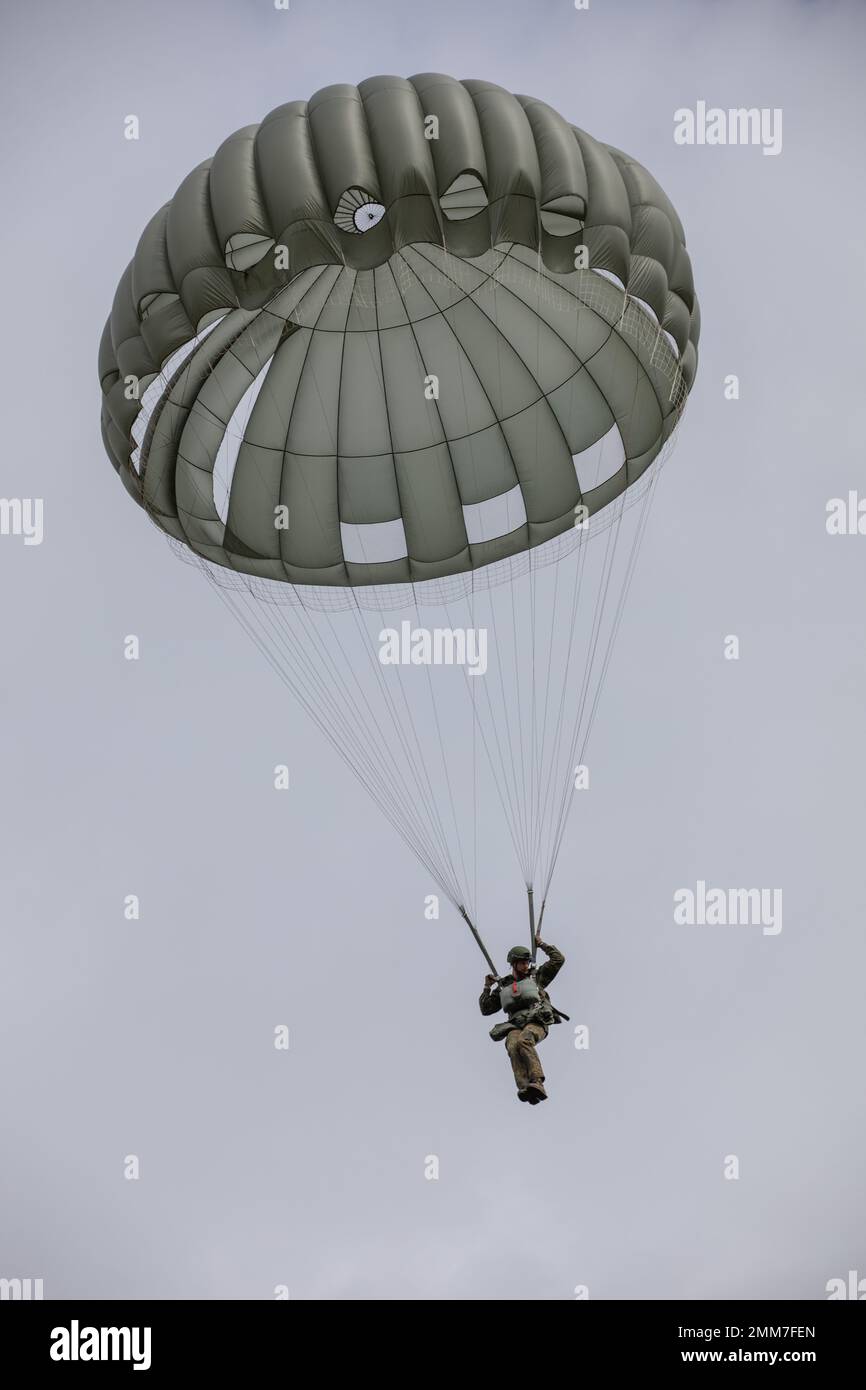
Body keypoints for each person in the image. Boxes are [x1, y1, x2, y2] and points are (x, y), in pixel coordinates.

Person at [479, 939, 565, 1103]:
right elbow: (486, 1009)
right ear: (514, 964)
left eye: (527, 962)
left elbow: (558, 960)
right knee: (512, 1045)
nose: (526, 966)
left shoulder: (536, 978)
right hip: (515, 1024)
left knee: (524, 1040)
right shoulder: (504, 987)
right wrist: (487, 987)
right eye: (522, 963)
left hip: (537, 1020)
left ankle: (537, 1081)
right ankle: (525, 1087)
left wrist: (541, 945)